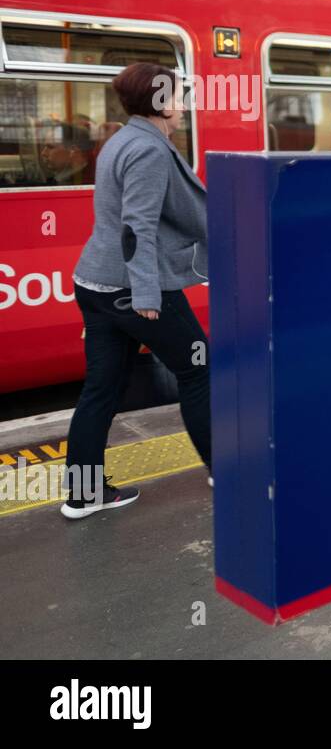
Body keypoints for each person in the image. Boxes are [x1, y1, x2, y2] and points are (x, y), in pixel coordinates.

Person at [62, 63, 212, 518]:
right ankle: (225, 469)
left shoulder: (122, 140)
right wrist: (146, 294)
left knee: (102, 389)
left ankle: (83, 494)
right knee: (199, 367)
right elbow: (136, 227)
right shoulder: (148, 150)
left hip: (95, 282)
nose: (184, 105)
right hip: (133, 287)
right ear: (160, 101)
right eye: (178, 96)